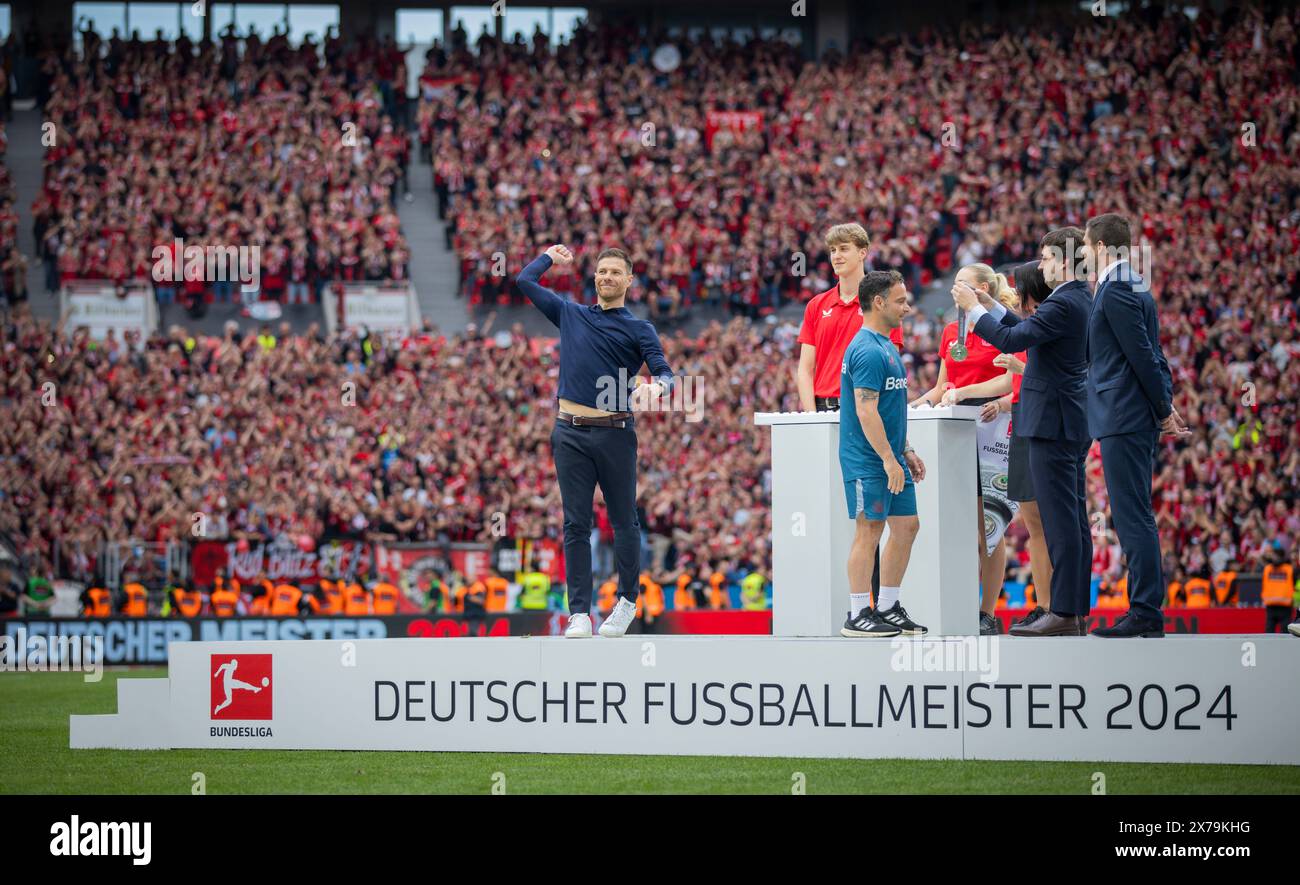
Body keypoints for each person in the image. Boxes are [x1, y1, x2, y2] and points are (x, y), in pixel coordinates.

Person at [515, 243, 675, 639]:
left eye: (615, 272)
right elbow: (524, 280)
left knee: (624, 521)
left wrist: (659, 389)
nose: (606, 277)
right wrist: (550, 257)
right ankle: (580, 613)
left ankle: (626, 602)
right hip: (568, 431)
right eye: (602, 271)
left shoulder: (639, 328)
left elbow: (667, 373)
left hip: (615, 433)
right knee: (575, 524)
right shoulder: (571, 314)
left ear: (628, 280)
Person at [955, 229, 1093, 636]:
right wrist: (989, 304)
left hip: (1053, 423)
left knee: (1060, 522)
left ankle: (1063, 613)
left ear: (1065, 261)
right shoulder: (1075, 298)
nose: (1042, 265)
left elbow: (1013, 339)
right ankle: (1072, 610)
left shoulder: (1065, 301)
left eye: (1048, 257)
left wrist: (974, 312)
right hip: (1063, 420)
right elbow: (1023, 327)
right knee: (1071, 520)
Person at [1082, 213, 1186, 638]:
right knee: (1133, 513)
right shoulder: (1132, 283)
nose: (1083, 253)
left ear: (1103, 247)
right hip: (1128, 413)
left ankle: (1145, 612)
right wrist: (1165, 404)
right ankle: (1144, 610)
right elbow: (1152, 352)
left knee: (1131, 515)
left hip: (1125, 415)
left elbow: (1143, 353)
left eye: (1086, 246)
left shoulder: (1119, 286)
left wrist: (1163, 408)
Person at [914, 263, 1017, 635]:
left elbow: (1012, 377)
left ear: (984, 288)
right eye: (954, 284)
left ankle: (987, 612)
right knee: (956, 524)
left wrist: (991, 399)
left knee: (986, 528)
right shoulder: (950, 332)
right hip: (953, 427)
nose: (955, 290)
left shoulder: (1003, 327)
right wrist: (914, 407)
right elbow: (944, 386)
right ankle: (955, 606)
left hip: (992, 427)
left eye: (963, 285)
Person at [838, 270, 927, 638]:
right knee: (869, 530)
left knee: (907, 526)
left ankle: (887, 606)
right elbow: (865, 410)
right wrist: (889, 459)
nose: (906, 308)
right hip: (868, 459)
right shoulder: (866, 349)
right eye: (900, 300)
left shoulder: (887, 346)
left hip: (891, 456)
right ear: (878, 302)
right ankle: (858, 613)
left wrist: (904, 450)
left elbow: (890, 408)